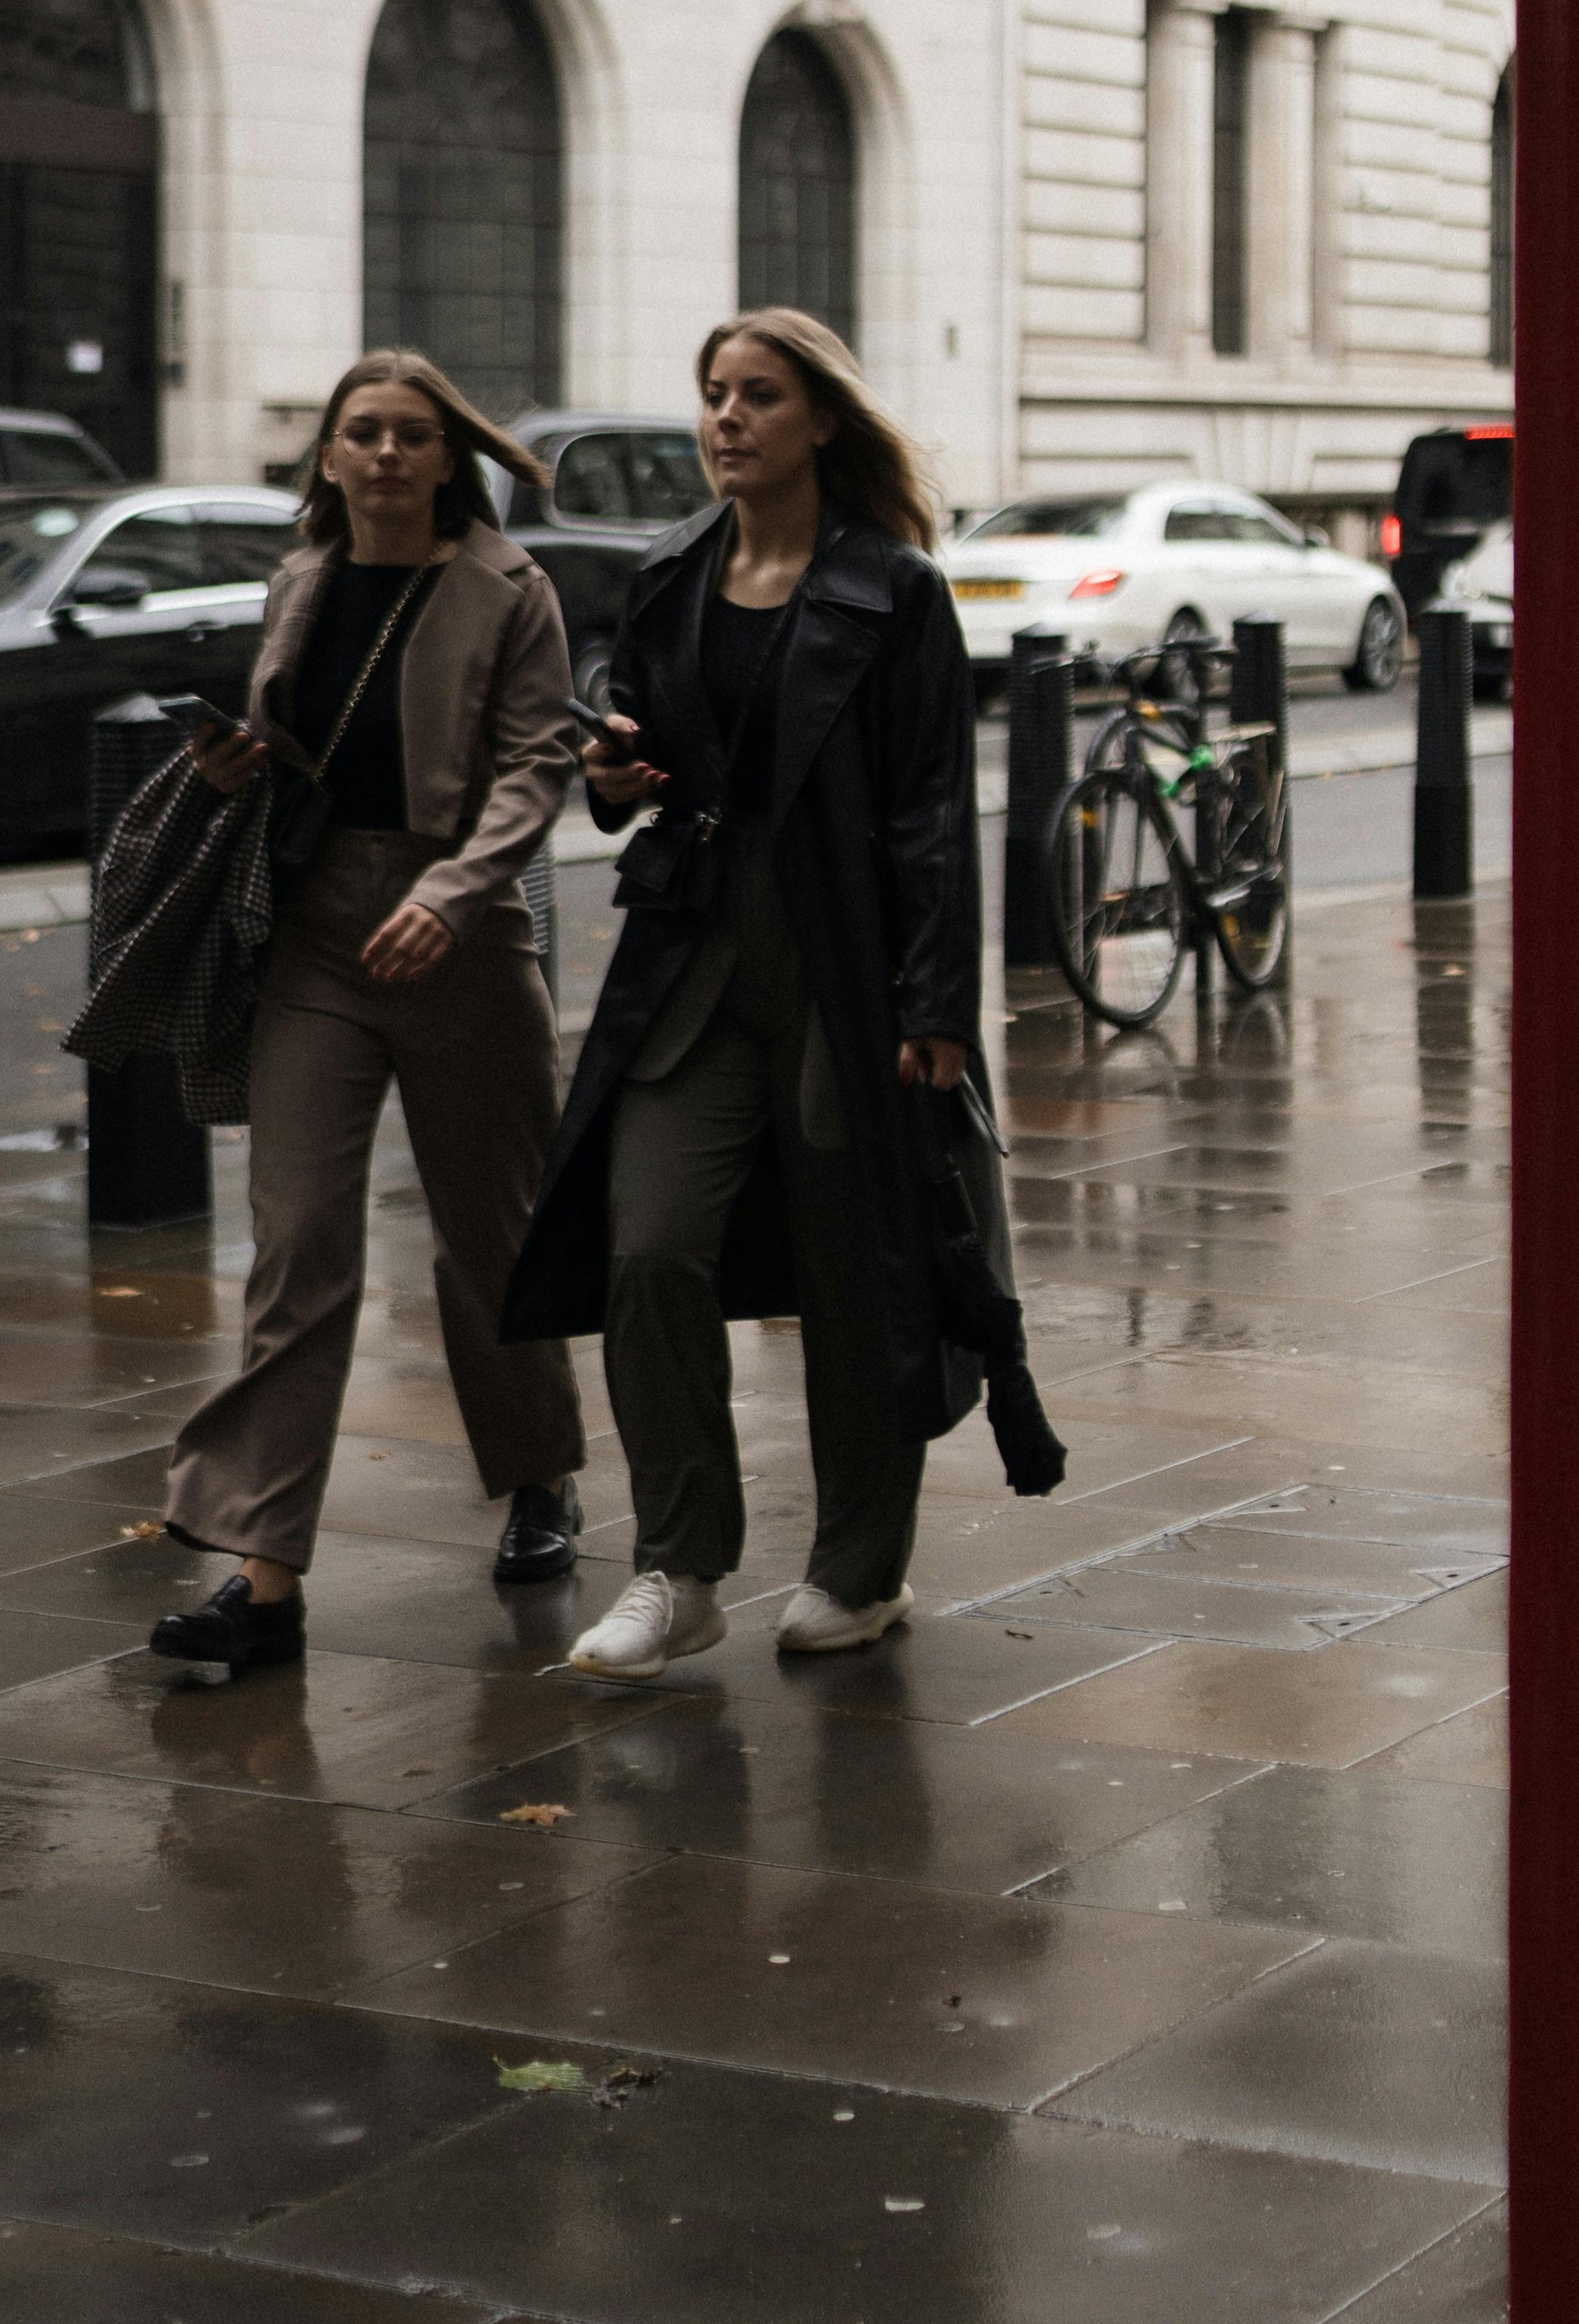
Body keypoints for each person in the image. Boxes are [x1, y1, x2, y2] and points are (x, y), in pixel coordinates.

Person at [501, 307, 988, 1673]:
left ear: (820, 419)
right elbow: (639, 753)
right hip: (695, 964)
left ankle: (860, 1568)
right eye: (714, 394)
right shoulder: (669, 574)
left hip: (848, 973)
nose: (727, 419)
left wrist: (935, 1002)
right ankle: (679, 1567)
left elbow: (933, 810)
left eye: (758, 397)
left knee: (854, 1272)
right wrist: (612, 779)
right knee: (649, 1246)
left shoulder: (894, 591)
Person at [149, 348, 586, 1684]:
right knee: (298, 1243)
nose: (388, 454)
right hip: (317, 936)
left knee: (491, 1235)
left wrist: (456, 891)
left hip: (458, 929)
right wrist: (232, 766)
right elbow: (298, 756)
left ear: (450, 457)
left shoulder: (511, 589)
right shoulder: (300, 579)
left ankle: (539, 1476)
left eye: (411, 435)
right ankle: (264, 1577)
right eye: (363, 434)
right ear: (328, 459)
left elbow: (539, 759)